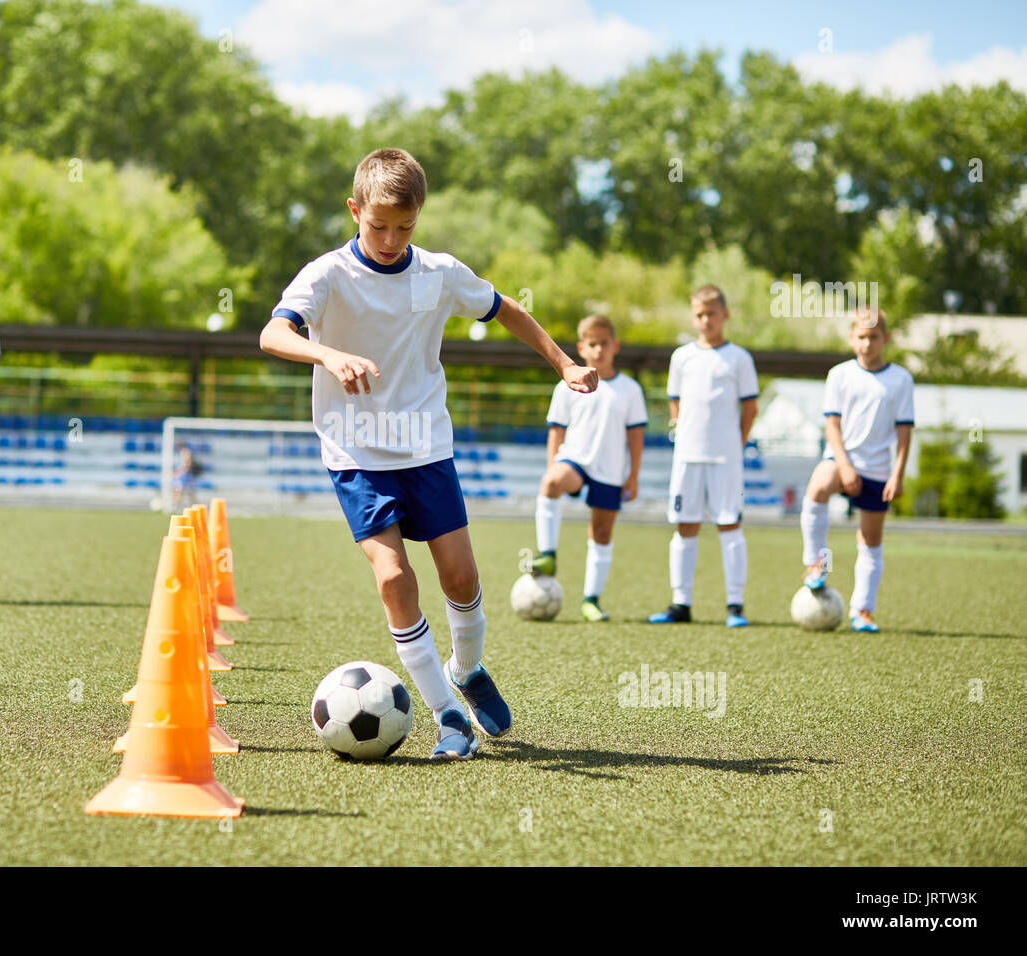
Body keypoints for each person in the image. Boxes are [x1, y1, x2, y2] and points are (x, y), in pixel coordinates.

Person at [260, 147, 598, 760]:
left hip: (425, 447)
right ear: (354, 209)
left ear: (419, 217)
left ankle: (467, 672)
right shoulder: (327, 274)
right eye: (378, 225)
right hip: (356, 452)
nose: (390, 239)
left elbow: (507, 310)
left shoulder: (439, 272)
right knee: (394, 577)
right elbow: (273, 332)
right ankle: (448, 716)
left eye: (404, 227)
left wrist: (565, 363)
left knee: (461, 576)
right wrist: (327, 354)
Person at [648, 284, 758, 627]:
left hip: (726, 458)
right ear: (693, 317)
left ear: (725, 314)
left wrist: (735, 445)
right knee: (685, 526)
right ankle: (681, 603)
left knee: (730, 525)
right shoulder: (682, 357)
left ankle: (735, 605)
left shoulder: (739, 358)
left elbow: (750, 408)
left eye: (712, 313)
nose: (706, 320)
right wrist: (682, 428)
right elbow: (675, 400)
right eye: (699, 314)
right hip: (688, 457)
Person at [800, 307, 913, 632]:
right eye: (861, 336)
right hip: (842, 460)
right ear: (851, 338)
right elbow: (831, 425)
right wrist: (846, 467)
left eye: (874, 337)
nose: (867, 343)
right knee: (819, 485)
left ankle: (862, 611)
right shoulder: (839, 375)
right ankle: (816, 565)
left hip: (878, 470)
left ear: (885, 338)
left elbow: (905, 431)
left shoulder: (901, 379)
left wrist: (897, 474)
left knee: (871, 541)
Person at [530, 314, 647, 622]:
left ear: (615, 346)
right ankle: (548, 556)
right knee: (552, 483)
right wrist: (551, 464)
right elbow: (557, 429)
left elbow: (636, 435)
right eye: (592, 344)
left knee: (602, 532)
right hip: (575, 460)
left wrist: (633, 475)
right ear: (581, 347)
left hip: (610, 470)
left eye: (604, 343)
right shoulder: (567, 385)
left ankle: (591, 600)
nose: (598, 350)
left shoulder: (630, 390)